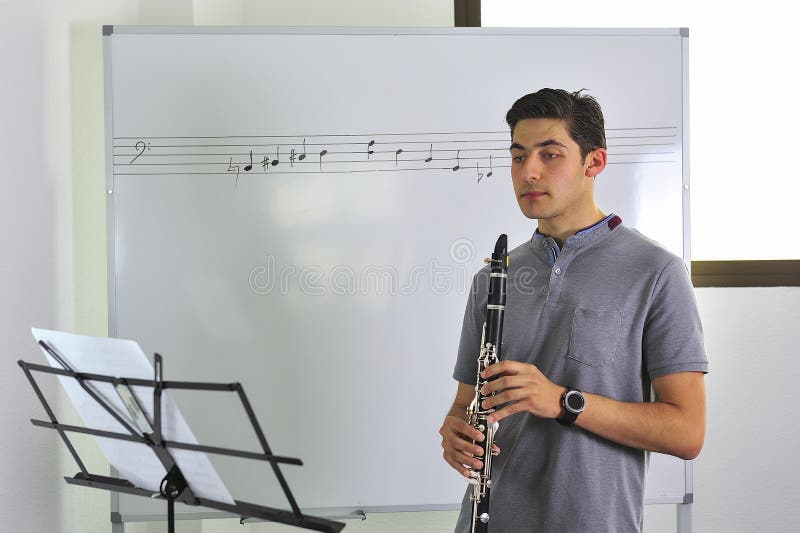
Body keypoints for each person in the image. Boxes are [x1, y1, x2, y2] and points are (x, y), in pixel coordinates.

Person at [439, 88, 708, 532]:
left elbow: (687, 432)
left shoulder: (656, 272)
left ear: (594, 162)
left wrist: (562, 401)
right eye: (518, 156)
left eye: (550, 155)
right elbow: (464, 405)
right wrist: (454, 433)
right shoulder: (493, 278)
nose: (529, 172)